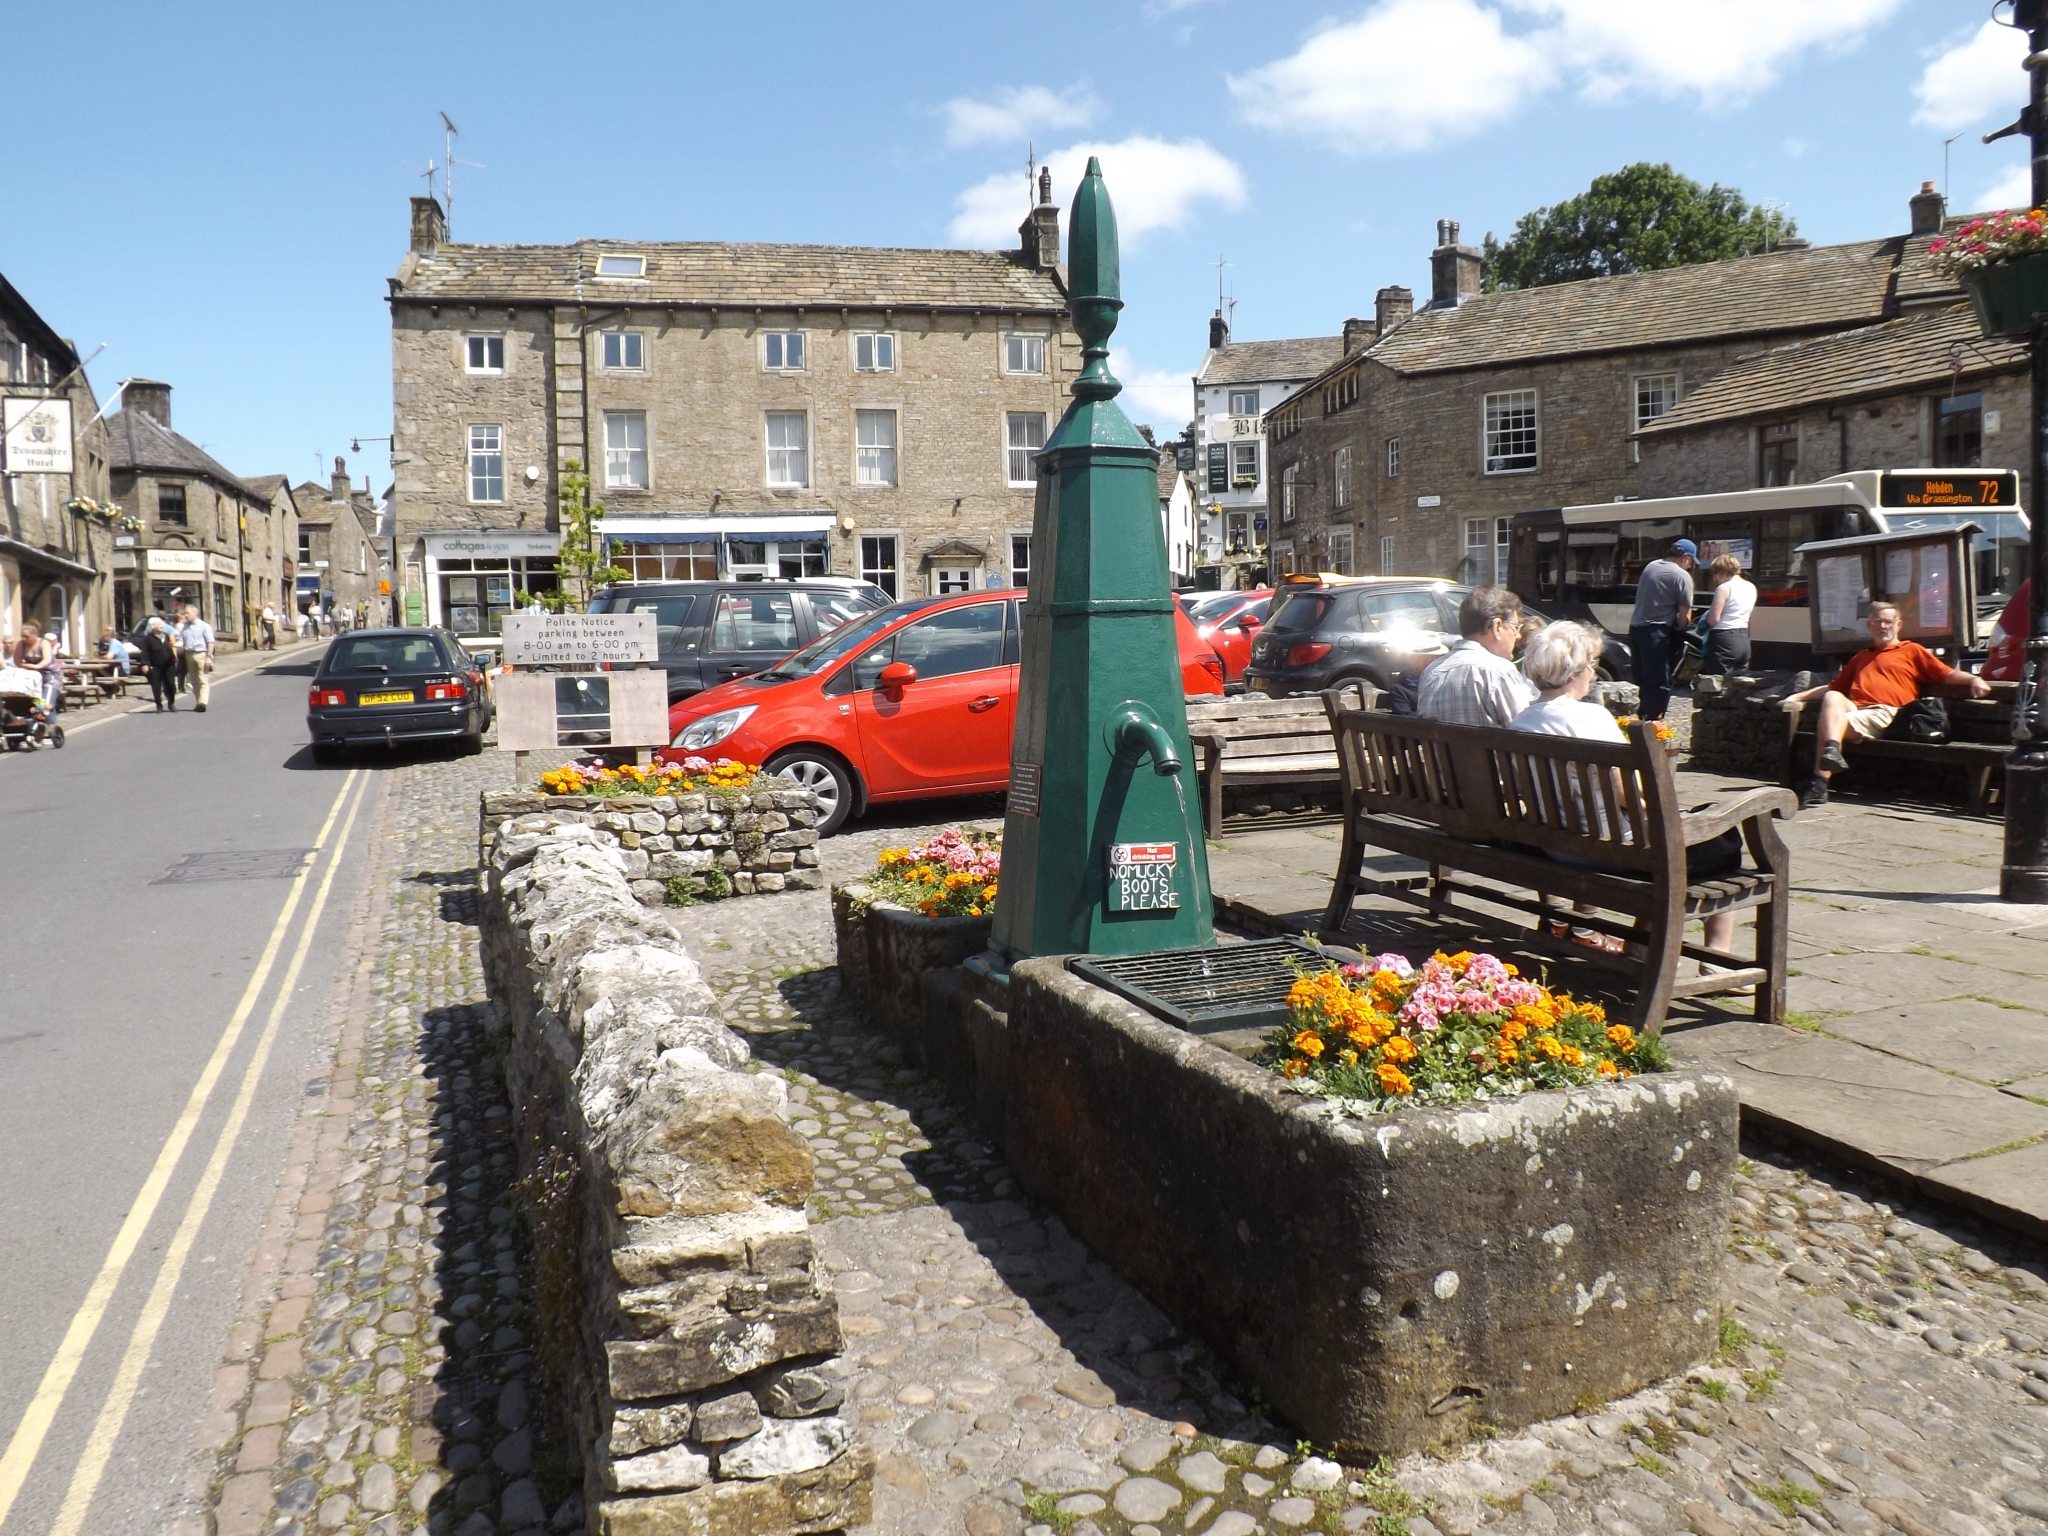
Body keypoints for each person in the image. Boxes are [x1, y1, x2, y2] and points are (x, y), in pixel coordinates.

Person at [1512, 621, 1739, 961]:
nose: (1592, 671)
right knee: (1724, 840)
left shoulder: (1520, 722)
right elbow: (1627, 794)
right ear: (1575, 671)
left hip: (1554, 844)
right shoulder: (1591, 717)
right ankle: (1711, 957)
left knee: (1683, 835)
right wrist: (1671, 818)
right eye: (1590, 663)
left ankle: (1642, 943)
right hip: (1607, 848)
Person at [1780, 601, 1991, 808]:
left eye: (1888, 622)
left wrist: (1974, 679)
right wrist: (1796, 698)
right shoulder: (1862, 656)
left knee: (1828, 725)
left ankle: (1819, 782)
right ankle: (1831, 752)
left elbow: (1947, 674)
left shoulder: (1912, 650)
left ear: (1898, 625)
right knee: (1832, 698)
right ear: (1869, 625)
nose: (1883, 627)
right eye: (1878, 622)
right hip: (1858, 710)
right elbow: (1831, 688)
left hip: (1888, 713)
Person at [1414, 585, 1537, 727]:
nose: (1518, 635)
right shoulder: (1499, 671)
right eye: (1515, 627)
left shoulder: (1431, 671)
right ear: (1497, 627)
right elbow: (1524, 734)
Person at [1628, 539, 1697, 720]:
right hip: (1657, 632)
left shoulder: (1651, 566)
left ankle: (1641, 717)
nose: (1690, 567)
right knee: (1659, 680)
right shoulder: (1682, 577)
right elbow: (1684, 616)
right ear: (1684, 557)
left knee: (1643, 678)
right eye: (1691, 562)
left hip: (1636, 628)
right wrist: (1684, 630)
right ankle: (1653, 724)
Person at [1701, 553, 1756, 677]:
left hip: (1723, 639)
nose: (1714, 578)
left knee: (1718, 685)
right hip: (1743, 639)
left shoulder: (1724, 588)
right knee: (1739, 686)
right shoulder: (1751, 587)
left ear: (1722, 571)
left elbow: (1713, 619)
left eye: (1715, 573)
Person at [175, 603, 216, 712]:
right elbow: (181, 641)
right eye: (185, 613)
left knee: (202, 679)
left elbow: (210, 642)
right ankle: (198, 702)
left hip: (201, 654)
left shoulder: (204, 626)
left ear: (195, 613)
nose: (186, 615)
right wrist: (172, 645)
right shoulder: (184, 627)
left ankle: (203, 702)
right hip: (189, 654)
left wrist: (209, 657)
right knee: (194, 680)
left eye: (187, 613)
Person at [138, 616, 178, 709]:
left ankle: (171, 702)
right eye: (159, 624)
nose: (162, 626)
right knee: (156, 686)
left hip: (169, 664)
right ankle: (159, 705)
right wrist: (145, 664)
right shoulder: (148, 638)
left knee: (171, 684)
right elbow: (145, 653)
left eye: (161, 624)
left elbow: (172, 647)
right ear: (153, 626)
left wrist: (175, 659)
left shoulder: (167, 636)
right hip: (155, 665)